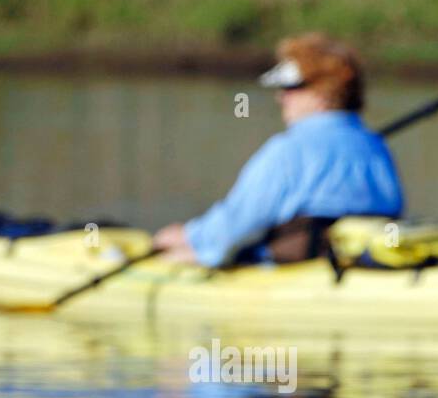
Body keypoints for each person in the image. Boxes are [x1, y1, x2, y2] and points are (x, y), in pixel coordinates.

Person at [153, 33, 404, 267]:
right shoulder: (376, 147)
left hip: (300, 271)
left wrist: (190, 237)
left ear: (323, 92)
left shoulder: (287, 151)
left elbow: (240, 220)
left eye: (291, 87)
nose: (281, 97)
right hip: (363, 266)